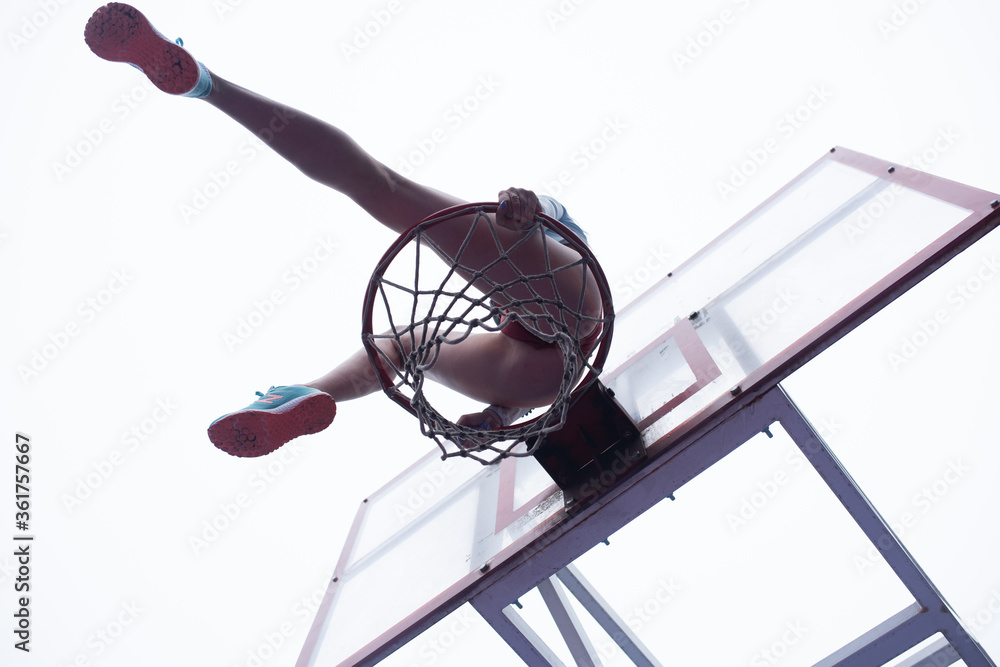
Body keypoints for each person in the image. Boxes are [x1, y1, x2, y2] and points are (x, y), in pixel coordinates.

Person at [84, 3, 603, 458]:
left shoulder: (545, 235)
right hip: (546, 372)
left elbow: (543, 212)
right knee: (403, 339)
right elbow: (535, 216)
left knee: (384, 190)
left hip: (555, 329)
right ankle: (307, 393)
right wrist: (498, 418)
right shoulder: (527, 274)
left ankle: (205, 82)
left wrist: (525, 209)